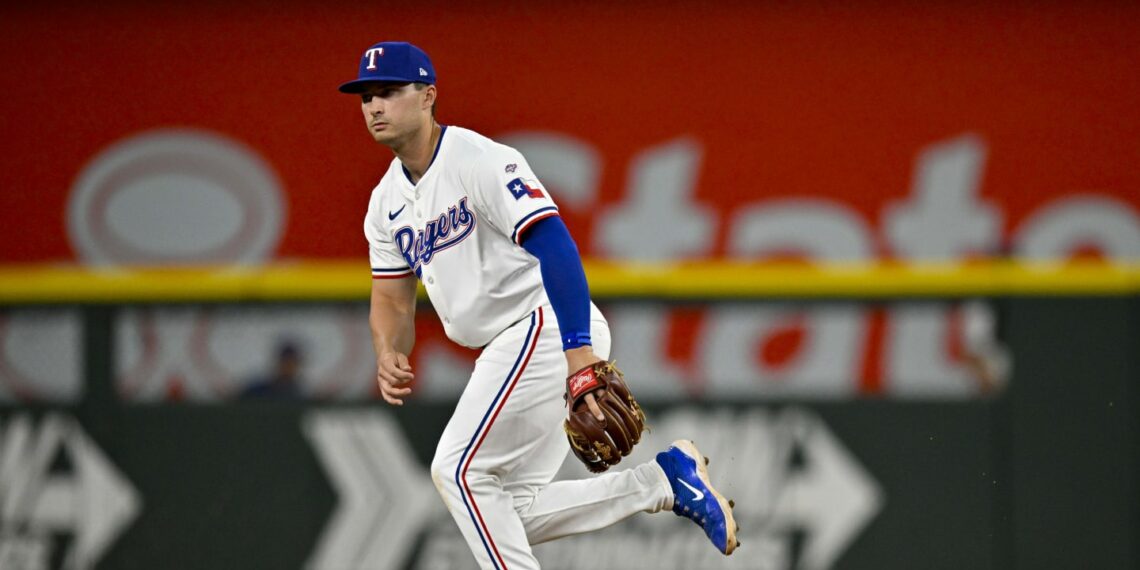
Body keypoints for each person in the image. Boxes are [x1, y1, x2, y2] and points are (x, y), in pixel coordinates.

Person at [342, 41, 738, 569]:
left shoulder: (479, 160)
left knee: (458, 471)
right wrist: (388, 348)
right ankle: (663, 482)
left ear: (428, 96)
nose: (374, 106)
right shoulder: (384, 202)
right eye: (366, 96)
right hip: (516, 342)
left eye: (388, 91)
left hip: (545, 326)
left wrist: (578, 353)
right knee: (506, 510)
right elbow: (391, 297)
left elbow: (554, 244)